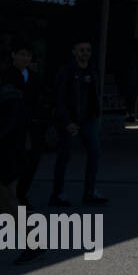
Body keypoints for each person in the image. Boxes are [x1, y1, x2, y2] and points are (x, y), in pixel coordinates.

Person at [51, 40, 107, 208]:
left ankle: (89, 193)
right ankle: (57, 194)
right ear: (74, 52)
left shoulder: (92, 70)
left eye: (88, 50)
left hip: (88, 119)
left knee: (95, 153)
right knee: (64, 156)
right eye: (81, 50)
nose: (85, 53)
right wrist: (67, 121)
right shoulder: (67, 72)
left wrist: (96, 114)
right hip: (70, 119)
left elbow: (94, 93)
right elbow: (59, 98)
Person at [2, 42, 46, 208]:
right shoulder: (5, 76)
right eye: (21, 54)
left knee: (30, 160)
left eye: (28, 55)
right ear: (13, 55)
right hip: (10, 127)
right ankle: (11, 199)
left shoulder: (34, 77)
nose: (25, 58)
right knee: (10, 163)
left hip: (30, 126)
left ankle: (21, 195)